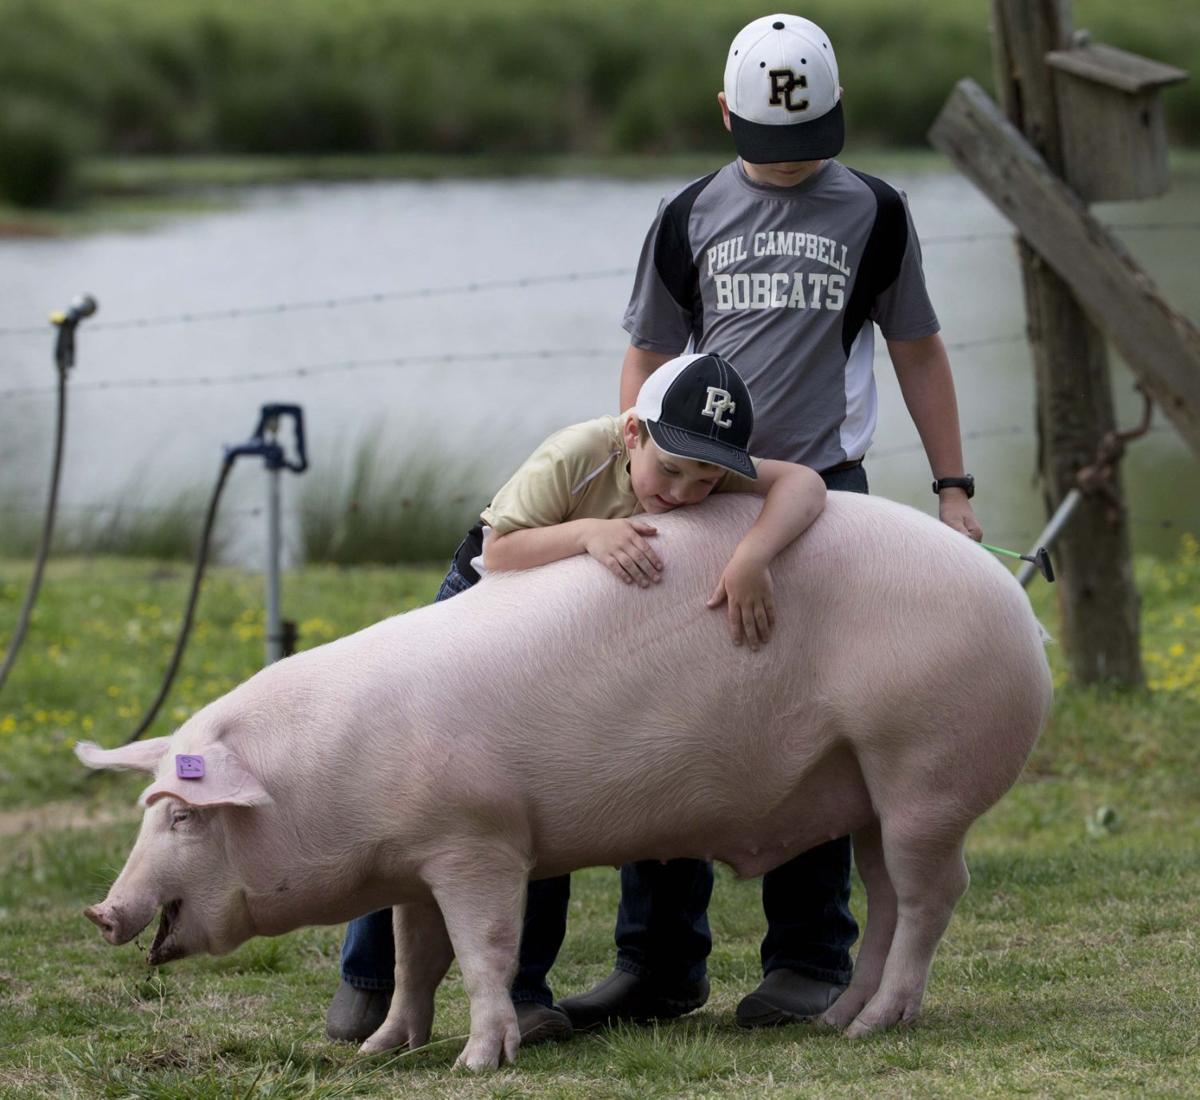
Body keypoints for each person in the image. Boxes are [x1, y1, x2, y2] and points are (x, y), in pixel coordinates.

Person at [554, 12, 983, 1033]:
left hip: (825, 496)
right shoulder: (687, 212)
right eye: (766, 144)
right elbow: (650, 352)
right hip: (700, 491)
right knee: (666, 720)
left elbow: (918, 348)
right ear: (724, 115)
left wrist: (953, 487)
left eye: (805, 145)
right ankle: (657, 962)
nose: (786, 167)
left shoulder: (875, 211)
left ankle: (809, 956)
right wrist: (634, 471)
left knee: (823, 725)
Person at [326, 350, 828, 1045]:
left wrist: (752, 555)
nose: (682, 493)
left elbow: (803, 482)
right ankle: (370, 980)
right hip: (485, 604)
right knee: (417, 796)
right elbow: (499, 551)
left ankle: (523, 991)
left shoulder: (707, 476)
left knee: (534, 800)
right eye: (670, 469)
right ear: (631, 435)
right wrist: (590, 533)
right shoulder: (576, 454)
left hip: (570, 642)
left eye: (706, 479)